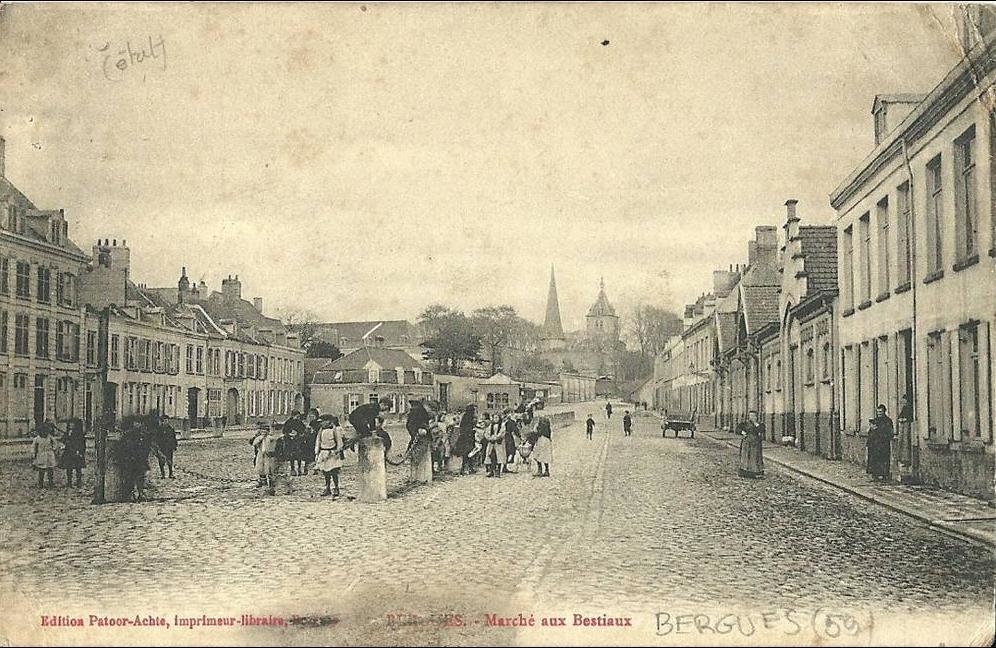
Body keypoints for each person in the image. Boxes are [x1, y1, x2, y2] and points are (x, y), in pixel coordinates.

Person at [314, 416, 346, 497]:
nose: (321, 423)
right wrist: (317, 452)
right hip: (324, 452)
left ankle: (336, 487)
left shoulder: (335, 430)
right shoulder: (321, 431)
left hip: (332, 453)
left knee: (334, 471)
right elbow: (318, 441)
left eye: (322, 421)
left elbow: (339, 442)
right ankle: (327, 487)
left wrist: (337, 451)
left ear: (328, 421)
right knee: (325, 472)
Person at [261, 422, 292, 496]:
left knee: (276, 473)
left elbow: (278, 449)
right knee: (278, 473)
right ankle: (284, 488)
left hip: (277, 457)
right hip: (279, 457)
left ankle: (276, 488)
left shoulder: (279, 438)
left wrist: (271, 453)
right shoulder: (283, 437)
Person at [867, 404, 895, 482]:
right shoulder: (875, 420)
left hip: (883, 444)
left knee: (884, 459)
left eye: (881, 412)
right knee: (874, 459)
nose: (879, 413)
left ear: (884, 412)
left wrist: (879, 430)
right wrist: (871, 429)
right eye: (878, 412)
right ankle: (875, 475)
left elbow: (890, 433)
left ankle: (884, 475)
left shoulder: (888, 421)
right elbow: (870, 432)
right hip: (874, 444)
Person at [737, 410, 765, 479]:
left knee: (755, 457)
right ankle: (745, 472)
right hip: (746, 443)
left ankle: (756, 471)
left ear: (756, 417)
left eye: (753, 416)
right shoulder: (745, 423)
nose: (752, 417)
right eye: (750, 416)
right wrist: (742, 432)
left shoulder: (759, 424)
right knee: (746, 457)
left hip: (756, 443)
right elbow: (737, 429)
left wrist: (756, 425)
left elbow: (762, 430)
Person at [451, 404, 478, 475]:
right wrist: (472, 430)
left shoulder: (465, 416)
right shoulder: (468, 417)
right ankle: (466, 468)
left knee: (467, 453)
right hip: (467, 437)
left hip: (465, 437)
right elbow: (467, 427)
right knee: (468, 452)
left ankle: (467, 468)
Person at [32, 422, 59, 488]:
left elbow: (55, 443)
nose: (45, 433)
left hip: (49, 455)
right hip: (41, 455)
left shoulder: (50, 437)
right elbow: (33, 447)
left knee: (50, 470)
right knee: (41, 470)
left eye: (46, 432)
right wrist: (34, 455)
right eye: (43, 432)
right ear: (40, 432)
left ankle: (51, 483)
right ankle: (40, 483)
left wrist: (53, 449)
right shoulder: (37, 439)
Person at [60, 419, 86, 488]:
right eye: (70, 423)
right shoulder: (68, 432)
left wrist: (80, 451)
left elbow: (82, 443)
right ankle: (69, 482)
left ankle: (79, 482)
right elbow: (63, 439)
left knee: (78, 468)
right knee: (69, 468)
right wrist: (65, 441)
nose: (71, 425)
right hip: (69, 452)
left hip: (76, 452)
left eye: (73, 424)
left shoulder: (79, 434)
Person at [283, 411, 308, 476]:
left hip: (298, 441)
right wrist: (289, 434)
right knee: (292, 456)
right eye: (297, 416)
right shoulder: (288, 422)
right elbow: (284, 431)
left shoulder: (299, 422)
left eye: (298, 416)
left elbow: (303, 430)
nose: (298, 418)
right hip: (290, 441)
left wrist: (300, 434)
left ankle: (299, 468)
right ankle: (292, 469)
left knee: (299, 455)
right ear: (293, 416)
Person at [155, 414, 178, 480]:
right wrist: (157, 447)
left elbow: (173, 438)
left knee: (170, 461)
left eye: (167, 420)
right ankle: (163, 474)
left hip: (169, 447)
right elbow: (157, 438)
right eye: (164, 421)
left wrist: (175, 445)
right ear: (162, 421)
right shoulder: (159, 430)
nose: (165, 422)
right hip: (162, 447)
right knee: (161, 462)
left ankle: (170, 473)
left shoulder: (170, 429)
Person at [484, 413, 506, 477]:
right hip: (491, 443)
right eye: (494, 418)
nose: (495, 419)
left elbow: (502, 433)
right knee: (491, 456)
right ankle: (491, 470)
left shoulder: (502, 425)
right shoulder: (490, 426)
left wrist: (496, 437)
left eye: (497, 417)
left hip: (498, 443)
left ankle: (498, 471)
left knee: (499, 457)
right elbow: (486, 433)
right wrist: (489, 438)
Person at [250, 422, 269, 488]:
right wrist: (258, 438)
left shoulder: (269, 437)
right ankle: (262, 479)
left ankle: (270, 480)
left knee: (268, 466)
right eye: (262, 430)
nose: (264, 432)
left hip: (268, 454)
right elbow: (253, 443)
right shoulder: (258, 437)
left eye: (265, 430)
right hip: (260, 453)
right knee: (260, 467)